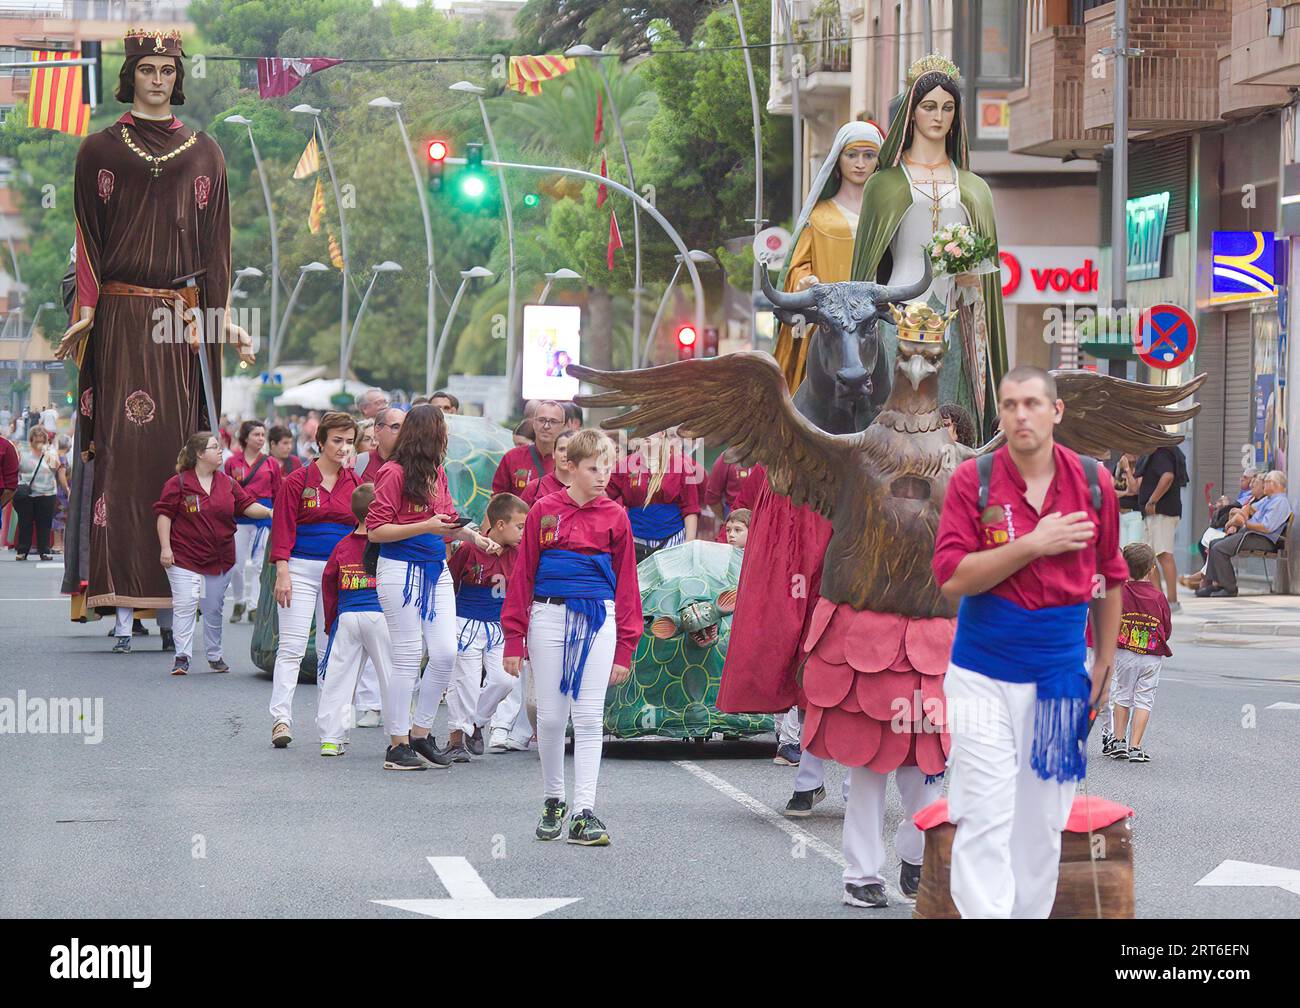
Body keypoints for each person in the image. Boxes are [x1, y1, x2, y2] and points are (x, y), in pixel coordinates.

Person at [57, 27, 253, 625]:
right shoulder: (98, 151)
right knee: (120, 449)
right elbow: (86, 240)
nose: (159, 79)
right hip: (117, 315)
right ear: (130, 75)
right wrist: (85, 310)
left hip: (180, 320)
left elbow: (216, 251)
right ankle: (116, 589)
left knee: (180, 448)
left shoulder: (206, 152)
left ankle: (178, 599)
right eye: (148, 69)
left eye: (168, 69)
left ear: (178, 77)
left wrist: (225, 323)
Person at [933, 365, 1126, 919]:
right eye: (1011, 404)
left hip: (1060, 676)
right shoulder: (975, 480)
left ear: (1056, 411)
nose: (1022, 414)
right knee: (983, 813)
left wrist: (1106, 658)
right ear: (1001, 414)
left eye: (1033, 403)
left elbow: (1111, 576)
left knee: (1042, 824)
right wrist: (1034, 544)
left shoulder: (1093, 482)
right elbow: (953, 578)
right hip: (980, 672)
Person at [851, 54, 1009, 440]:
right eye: (929, 106)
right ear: (912, 112)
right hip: (897, 313)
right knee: (894, 411)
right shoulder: (884, 185)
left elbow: (988, 269)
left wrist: (974, 280)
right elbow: (865, 270)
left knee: (950, 411)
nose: (938, 116)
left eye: (948, 108)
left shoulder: (974, 188)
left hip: (954, 312)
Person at [502, 429, 642, 845]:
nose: (603, 476)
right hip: (547, 615)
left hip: (599, 619)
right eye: (593, 468)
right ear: (571, 467)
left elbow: (628, 587)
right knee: (549, 717)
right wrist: (514, 637)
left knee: (588, 717)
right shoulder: (543, 510)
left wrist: (625, 648)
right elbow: (522, 575)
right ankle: (553, 799)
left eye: (608, 468)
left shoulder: (616, 515)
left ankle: (584, 811)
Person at [366, 404, 501, 772]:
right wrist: (425, 525)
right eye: (442, 429)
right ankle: (397, 744)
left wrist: (475, 537)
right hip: (399, 570)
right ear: (428, 434)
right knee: (408, 657)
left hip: (435, 569)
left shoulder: (438, 473)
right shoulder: (392, 473)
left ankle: (420, 732)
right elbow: (376, 530)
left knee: (444, 653)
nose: (446, 436)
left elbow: (448, 522)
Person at [268, 412, 362, 748]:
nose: (343, 447)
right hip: (300, 569)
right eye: (337, 440)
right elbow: (282, 529)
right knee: (292, 648)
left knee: (334, 652)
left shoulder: (356, 484)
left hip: (340, 575)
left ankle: (336, 725)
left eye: (349, 441)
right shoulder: (296, 481)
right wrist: (282, 572)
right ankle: (281, 719)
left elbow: (362, 532)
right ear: (320, 441)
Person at [772, 120, 884, 391]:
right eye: (852, 155)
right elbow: (798, 265)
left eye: (868, 156)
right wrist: (804, 281)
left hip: (875, 325)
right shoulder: (819, 216)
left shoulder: (885, 215)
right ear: (838, 160)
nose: (860, 163)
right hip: (831, 327)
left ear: (878, 162)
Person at [154, 432, 271, 674]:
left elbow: (248, 506)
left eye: (219, 447)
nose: (220, 451)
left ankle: (214, 654)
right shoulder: (179, 483)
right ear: (198, 454)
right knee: (185, 604)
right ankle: (182, 657)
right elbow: (164, 515)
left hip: (220, 558)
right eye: (214, 447)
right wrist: (165, 547)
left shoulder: (228, 482)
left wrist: (271, 512)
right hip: (184, 557)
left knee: (213, 608)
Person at [442, 492, 528, 761]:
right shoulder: (469, 550)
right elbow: (449, 583)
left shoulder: (519, 555)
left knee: (505, 679)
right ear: (500, 525)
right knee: (464, 681)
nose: (523, 533)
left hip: (499, 626)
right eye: (520, 526)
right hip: (466, 622)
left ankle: (477, 722)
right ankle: (457, 737)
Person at [315, 483, 395, 759]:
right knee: (392, 675)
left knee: (338, 678)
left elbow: (328, 583)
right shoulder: (389, 543)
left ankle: (330, 737)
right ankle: (399, 736)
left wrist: (331, 622)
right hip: (381, 615)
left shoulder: (342, 545)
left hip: (347, 615)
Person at [1102, 542, 1172, 764]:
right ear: (1152, 568)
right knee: (1144, 699)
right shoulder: (1158, 597)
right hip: (1151, 655)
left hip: (1124, 653)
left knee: (1122, 695)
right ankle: (1136, 746)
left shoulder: (1119, 592)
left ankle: (1119, 742)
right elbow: (1166, 627)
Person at [1197, 470, 1293, 598]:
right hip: (1252, 534)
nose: (1264, 485)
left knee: (1220, 548)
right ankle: (1216, 585)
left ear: (1276, 484)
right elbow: (1248, 508)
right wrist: (1239, 518)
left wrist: (1245, 523)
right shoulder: (1269, 499)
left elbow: (1266, 527)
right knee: (1214, 543)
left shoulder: (1280, 502)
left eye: (1267, 482)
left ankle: (1229, 588)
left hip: (1263, 539)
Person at [611, 430, 701, 561]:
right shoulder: (625, 465)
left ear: (662, 433)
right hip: (636, 539)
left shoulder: (680, 465)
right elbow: (603, 495)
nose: (646, 433)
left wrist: (689, 543)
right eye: (643, 428)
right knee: (638, 581)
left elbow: (690, 508)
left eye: (652, 429)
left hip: (672, 539)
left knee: (671, 581)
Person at [224, 420, 281, 624]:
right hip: (239, 516)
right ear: (245, 437)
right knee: (236, 565)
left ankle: (254, 605)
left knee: (259, 564)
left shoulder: (270, 463)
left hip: (263, 518)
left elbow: (277, 491)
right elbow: (224, 489)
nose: (260, 438)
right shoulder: (232, 462)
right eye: (256, 434)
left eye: (262, 435)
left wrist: (277, 516)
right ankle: (239, 601)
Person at [1135, 444, 1187, 612]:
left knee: (1164, 554)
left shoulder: (1162, 452)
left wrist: (1153, 500)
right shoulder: (1153, 453)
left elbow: (1168, 476)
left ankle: (1172, 602)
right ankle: (1159, 600)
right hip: (1154, 514)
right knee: (1149, 558)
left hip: (1162, 512)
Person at [12, 426, 61, 562]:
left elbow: (55, 468)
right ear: (31, 439)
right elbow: (17, 468)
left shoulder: (50, 450)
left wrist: (47, 455)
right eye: (36, 439)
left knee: (44, 523)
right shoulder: (23, 451)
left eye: (42, 439)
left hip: (47, 492)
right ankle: (23, 551)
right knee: (25, 522)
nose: (39, 442)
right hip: (26, 492)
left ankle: (44, 551)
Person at [494, 400, 564, 494]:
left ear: (562, 426)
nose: (546, 426)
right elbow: (498, 499)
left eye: (553, 421)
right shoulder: (512, 457)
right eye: (541, 420)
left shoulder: (570, 461)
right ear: (534, 423)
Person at [703, 451, 755, 542]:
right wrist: (728, 518)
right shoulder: (728, 457)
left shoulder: (769, 455)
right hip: (735, 519)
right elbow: (712, 497)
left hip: (763, 521)